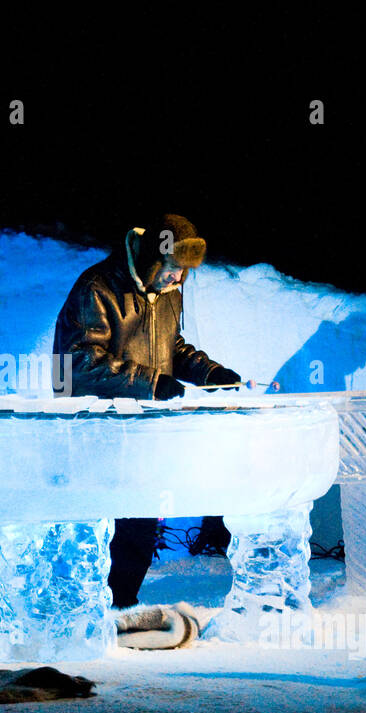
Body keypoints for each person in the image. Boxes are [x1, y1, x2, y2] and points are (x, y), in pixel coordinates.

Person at [52, 213, 246, 608]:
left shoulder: (169, 293)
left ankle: (119, 607)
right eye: (174, 270)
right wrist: (151, 383)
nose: (179, 280)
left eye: (184, 273)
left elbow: (171, 348)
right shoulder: (98, 287)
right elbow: (74, 365)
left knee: (138, 526)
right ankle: (80, 611)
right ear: (153, 260)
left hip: (140, 430)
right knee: (99, 528)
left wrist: (209, 373)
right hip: (96, 428)